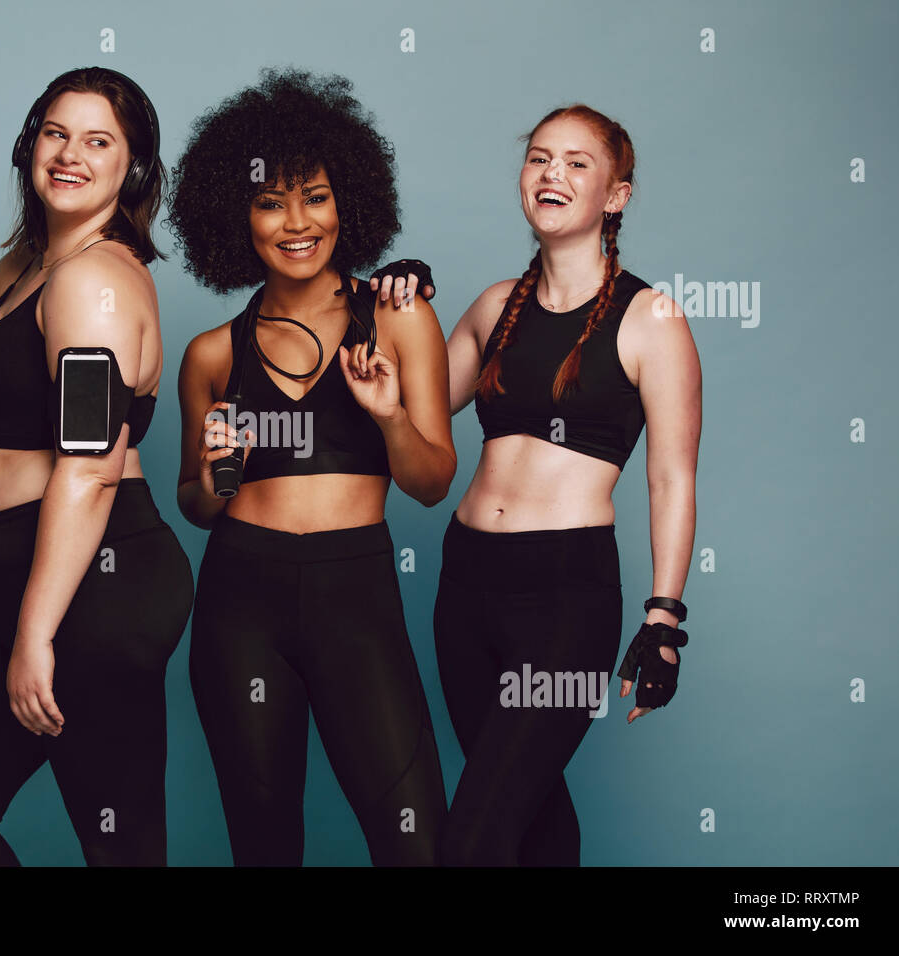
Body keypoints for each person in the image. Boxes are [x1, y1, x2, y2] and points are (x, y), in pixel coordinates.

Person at [0, 67, 194, 866]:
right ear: (31, 143)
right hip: (46, 582)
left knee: (119, 845)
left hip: (99, 586)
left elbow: (90, 468)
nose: (70, 154)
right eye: (55, 133)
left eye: (98, 141)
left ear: (130, 167)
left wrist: (35, 631)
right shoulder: (25, 269)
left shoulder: (95, 283)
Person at [168, 67, 453, 865]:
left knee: (416, 842)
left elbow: (431, 484)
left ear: (348, 203)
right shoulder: (210, 355)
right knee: (264, 848)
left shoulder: (400, 317)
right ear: (237, 217)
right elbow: (195, 503)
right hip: (239, 603)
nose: (297, 222)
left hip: (353, 592)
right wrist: (219, 475)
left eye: (316, 196)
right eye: (269, 202)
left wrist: (390, 416)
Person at [434, 103, 701, 865]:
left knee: (476, 833)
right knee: (532, 814)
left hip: (564, 598)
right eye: (539, 158)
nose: (552, 173)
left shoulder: (652, 318)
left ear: (615, 195)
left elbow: (672, 478)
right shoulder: (493, 307)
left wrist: (664, 621)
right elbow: (411, 409)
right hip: (464, 587)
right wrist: (394, 306)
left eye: (577, 163)